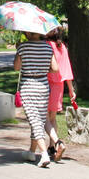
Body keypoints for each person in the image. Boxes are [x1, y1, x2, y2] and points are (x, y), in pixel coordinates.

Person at [14, 32, 57, 167]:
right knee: (39, 118)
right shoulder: (48, 47)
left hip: (28, 85)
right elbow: (55, 68)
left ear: (27, 32)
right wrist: (43, 69)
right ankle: (32, 152)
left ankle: (44, 153)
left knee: (34, 119)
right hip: (43, 85)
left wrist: (18, 52)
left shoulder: (23, 47)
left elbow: (16, 67)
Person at [45, 27, 77, 162]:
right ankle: (51, 147)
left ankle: (58, 143)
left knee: (43, 118)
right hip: (59, 86)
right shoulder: (62, 47)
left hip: (46, 83)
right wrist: (71, 90)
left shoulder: (47, 46)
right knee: (52, 118)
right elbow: (67, 69)